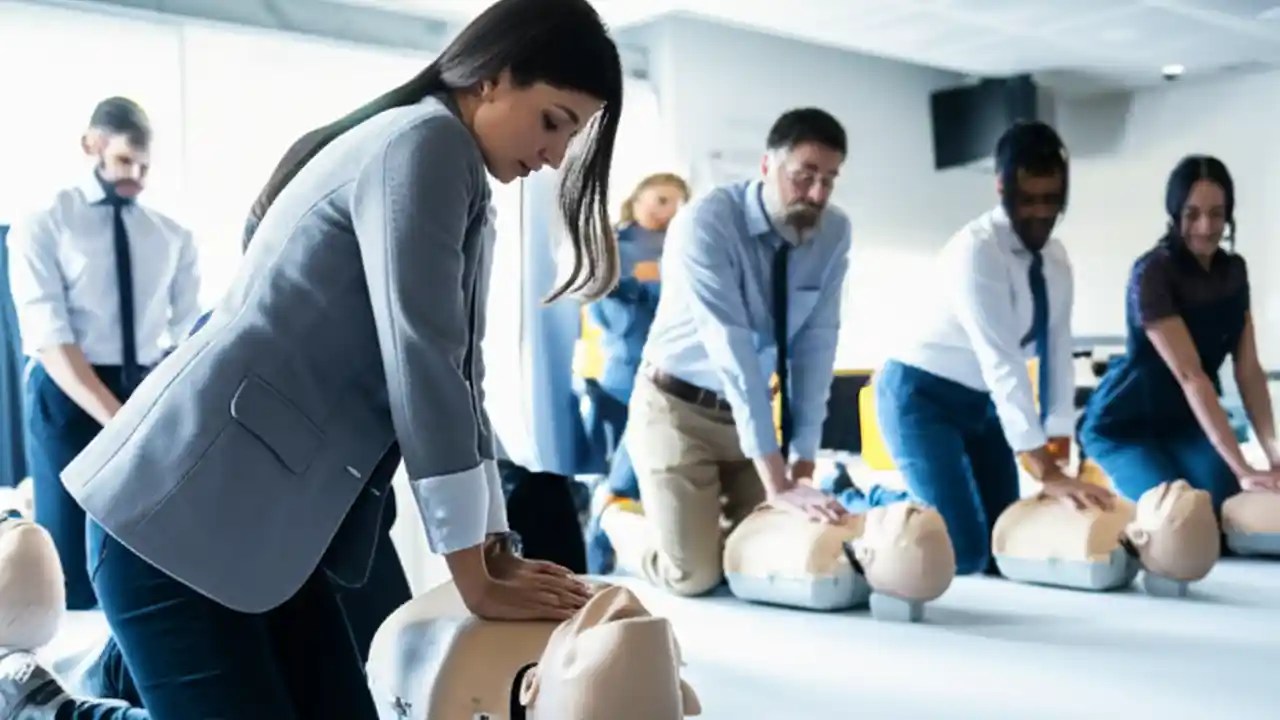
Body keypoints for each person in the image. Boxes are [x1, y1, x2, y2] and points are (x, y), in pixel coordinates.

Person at [10, 1, 625, 718]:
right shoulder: (425, 144)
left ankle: (99, 683)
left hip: (270, 535)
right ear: (493, 77)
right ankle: (46, 707)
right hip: (175, 518)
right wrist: (473, 574)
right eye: (553, 122)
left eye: (572, 138)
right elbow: (423, 366)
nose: (555, 156)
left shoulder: (456, 174)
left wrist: (497, 550)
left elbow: (463, 376)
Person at [602, 108, 852, 598]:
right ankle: (613, 514)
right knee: (694, 575)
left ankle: (700, 524)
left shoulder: (833, 233)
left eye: (829, 180)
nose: (817, 195)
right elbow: (731, 348)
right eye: (804, 177)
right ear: (767, 166)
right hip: (675, 409)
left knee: (766, 550)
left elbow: (817, 347)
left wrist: (802, 465)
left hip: (747, 422)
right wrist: (777, 483)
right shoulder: (707, 221)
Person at [867, 121, 1112, 577]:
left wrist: (1059, 452)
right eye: (1028, 201)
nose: (1040, 214)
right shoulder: (977, 251)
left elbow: (1058, 352)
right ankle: (869, 500)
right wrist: (1046, 473)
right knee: (962, 551)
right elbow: (1003, 361)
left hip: (983, 405)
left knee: (1005, 543)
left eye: (1051, 201)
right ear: (1002, 188)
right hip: (921, 396)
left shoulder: (1055, 260)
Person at [6, 97, 201, 611]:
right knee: (69, 564)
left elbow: (187, 333)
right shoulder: (45, 223)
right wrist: (118, 420)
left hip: (144, 388)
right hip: (68, 389)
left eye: (144, 166)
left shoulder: (172, 235)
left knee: (146, 547)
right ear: (91, 145)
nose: (135, 176)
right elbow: (49, 337)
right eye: (123, 162)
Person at [1079, 155, 1280, 514]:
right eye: (1193, 214)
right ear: (1175, 215)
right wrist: (1243, 468)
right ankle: (1104, 487)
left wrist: (1274, 454)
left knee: (1224, 505)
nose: (1206, 226)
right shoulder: (1153, 273)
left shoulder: (1233, 272)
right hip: (1126, 424)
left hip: (1183, 422)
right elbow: (1192, 377)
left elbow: (1248, 370)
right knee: (1178, 515)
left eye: (1217, 214)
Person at [584, 172, 690, 574]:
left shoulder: (680, 246)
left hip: (667, 364)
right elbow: (594, 295)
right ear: (639, 193)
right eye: (661, 199)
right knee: (629, 459)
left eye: (676, 206)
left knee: (653, 459)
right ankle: (598, 553)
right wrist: (639, 284)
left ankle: (623, 540)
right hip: (624, 367)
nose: (667, 212)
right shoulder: (610, 243)